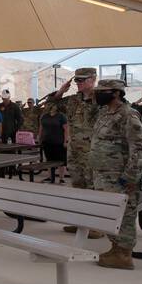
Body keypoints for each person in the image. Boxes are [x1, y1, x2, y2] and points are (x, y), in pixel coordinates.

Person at [88, 79, 142, 270]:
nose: (97, 95)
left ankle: (124, 255)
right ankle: (116, 248)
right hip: (103, 174)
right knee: (110, 213)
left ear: (115, 93)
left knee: (124, 214)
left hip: (118, 176)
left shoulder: (128, 115)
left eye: (101, 92)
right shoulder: (105, 113)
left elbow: (138, 149)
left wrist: (131, 177)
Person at [46, 67, 100, 204]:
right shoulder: (73, 100)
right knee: (76, 188)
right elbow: (50, 106)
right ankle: (79, 224)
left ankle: (94, 224)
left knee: (94, 189)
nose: (78, 82)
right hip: (74, 152)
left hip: (93, 153)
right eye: (76, 80)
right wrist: (61, 91)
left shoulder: (101, 100)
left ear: (93, 80)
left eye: (82, 79)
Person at [38, 103, 67, 167]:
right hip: (47, 141)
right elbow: (41, 128)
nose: (51, 107)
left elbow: (66, 129)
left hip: (58, 142)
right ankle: (50, 176)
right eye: (49, 105)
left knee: (61, 160)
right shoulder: (44, 116)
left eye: (53, 105)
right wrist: (39, 138)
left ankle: (61, 177)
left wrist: (65, 141)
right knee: (49, 160)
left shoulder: (61, 116)